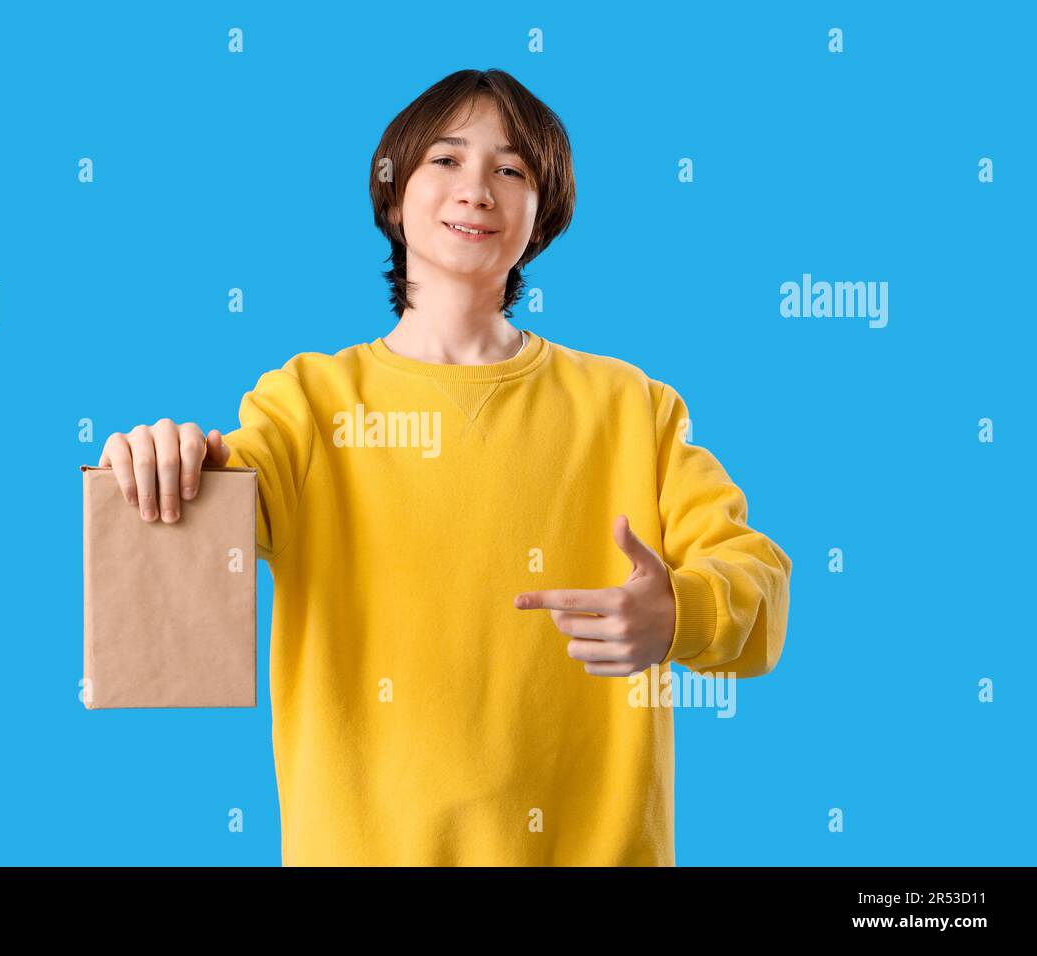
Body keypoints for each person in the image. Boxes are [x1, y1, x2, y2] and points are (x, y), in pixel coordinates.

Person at [98, 68, 791, 866]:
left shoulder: (633, 407)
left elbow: (761, 589)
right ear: (392, 196)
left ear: (545, 214)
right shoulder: (306, 405)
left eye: (512, 170)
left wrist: (683, 612)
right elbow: (203, 518)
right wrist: (162, 463)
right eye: (446, 160)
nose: (478, 189)